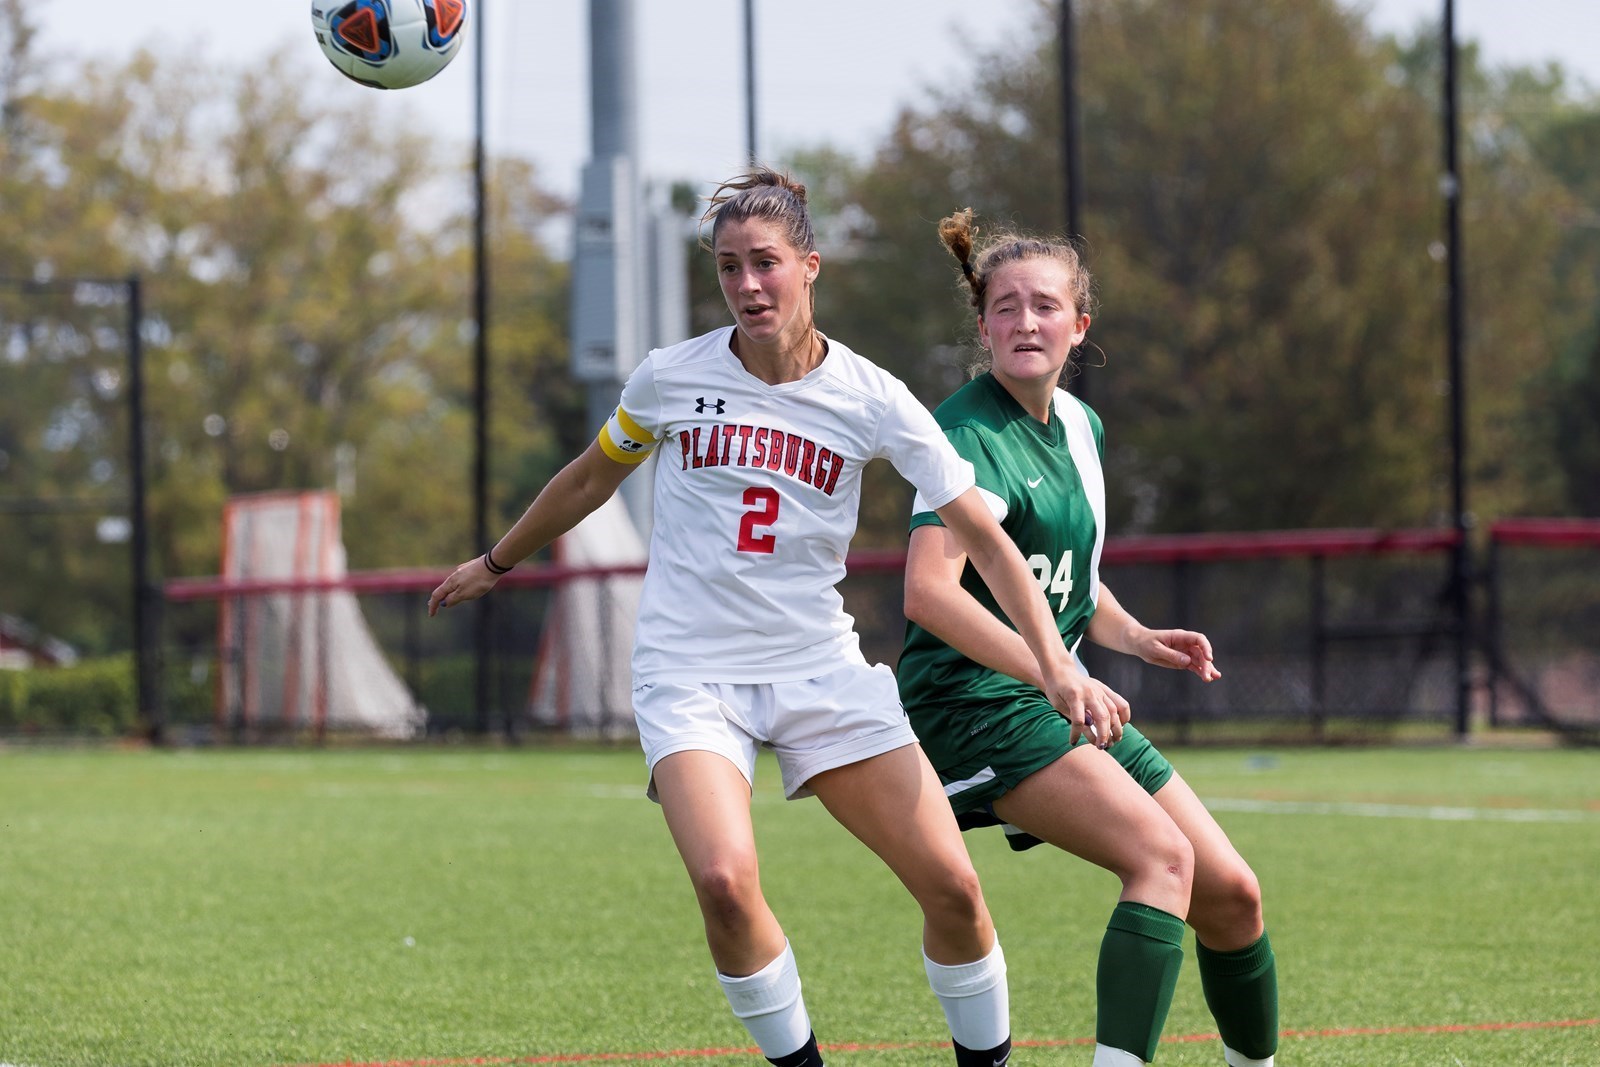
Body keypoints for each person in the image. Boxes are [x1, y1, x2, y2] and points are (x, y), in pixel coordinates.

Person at [428, 170, 1100, 1067]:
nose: (748, 285)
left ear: (810, 267)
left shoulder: (871, 396)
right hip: (690, 673)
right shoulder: (669, 379)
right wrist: (496, 561)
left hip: (819, 668)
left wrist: (1055, 664)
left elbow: (984, 530)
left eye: (767, 264)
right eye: (730, 267)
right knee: (725, 882)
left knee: (954, 890)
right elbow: (592, 476)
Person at [897, 210, 1281, 1067]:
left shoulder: (1080, 425)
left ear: (1080, 325)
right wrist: (1055, 665)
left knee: (1232, 896)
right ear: (983, 324)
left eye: (1044, 305)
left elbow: (1062, 576)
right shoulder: (964, 434)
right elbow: (928, 594)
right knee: (1161, 860)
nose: (1024, 322)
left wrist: (1135, 636)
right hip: (972, 699)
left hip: (1048, 689)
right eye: (1005, 307)